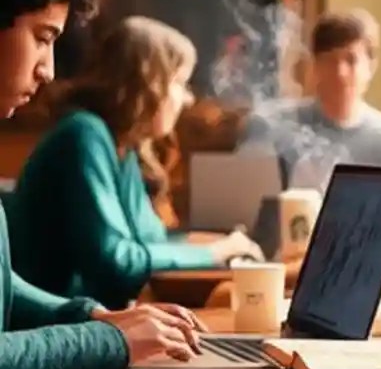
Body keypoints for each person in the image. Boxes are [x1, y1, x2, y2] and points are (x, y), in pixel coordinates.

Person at [0, 0, 203, 369]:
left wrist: (93, 318)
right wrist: (110, 343)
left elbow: (3, 289)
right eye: (42, 36)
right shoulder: (83, 135)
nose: (49, 67)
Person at [6, 16, 263, 310]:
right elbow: (116, 263)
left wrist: (209, 243)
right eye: (179, 83)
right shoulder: (83, 134)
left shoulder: (122, 148)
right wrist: (216, 252)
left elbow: (147, 241)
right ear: (148, 85)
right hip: (52, 330)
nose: (188, 100)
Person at [238, 8, 381, 238]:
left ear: (371, 67)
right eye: (329, 60)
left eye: (351, 60)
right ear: (314, 67)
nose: (340, 72)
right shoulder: (275, 127)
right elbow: (241, 210)